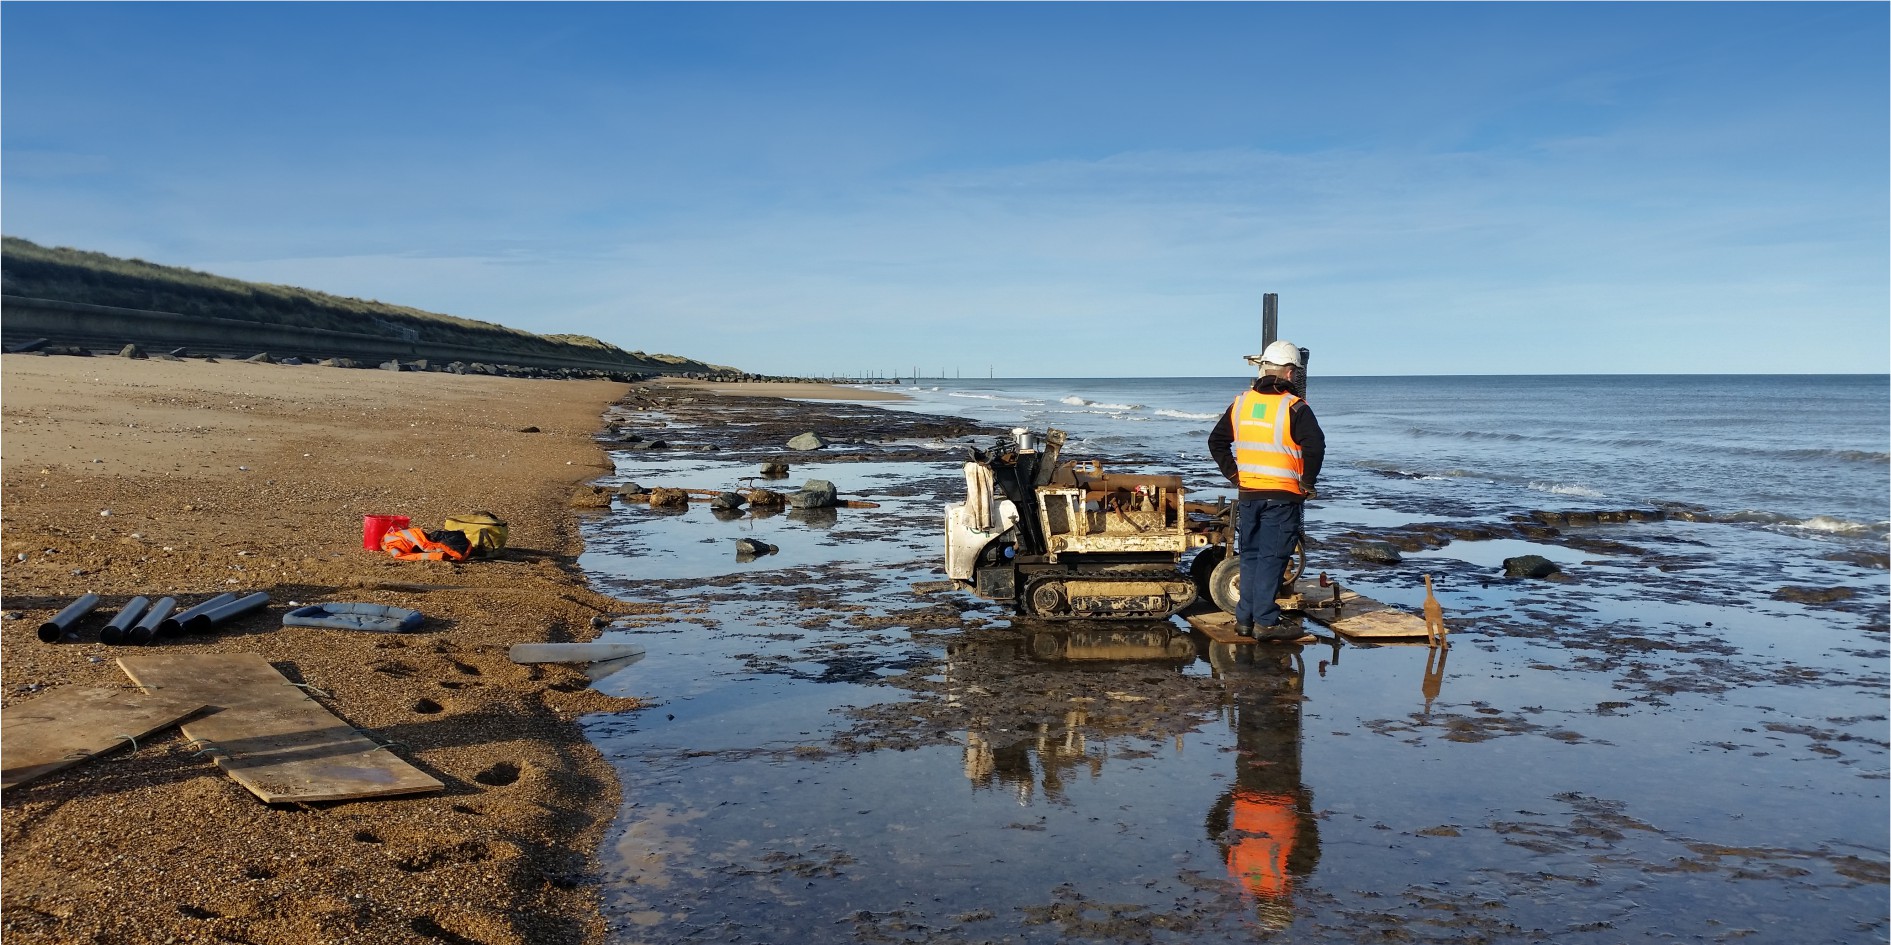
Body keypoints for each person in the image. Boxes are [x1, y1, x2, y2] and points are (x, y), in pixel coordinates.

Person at [1207, 339, 1326, 640]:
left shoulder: (1241, 404)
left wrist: (1235, 475)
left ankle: (1244, 620)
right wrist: (1307, 482)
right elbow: (1315, 446)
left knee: (1251, 555)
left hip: (1249, 494)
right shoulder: (1295, 407)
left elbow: (1216, 442)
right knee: (1273, 557)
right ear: (1290, 373)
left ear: (1263, 369)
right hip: (1282, 496)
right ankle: (1266, 622)